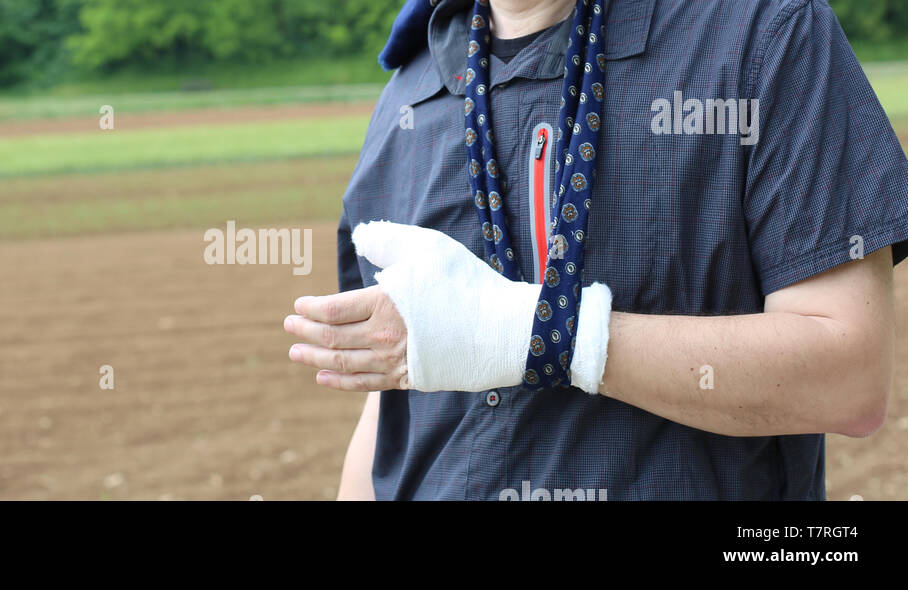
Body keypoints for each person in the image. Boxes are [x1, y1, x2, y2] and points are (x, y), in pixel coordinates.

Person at [282, 0, 908, 500]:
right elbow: (389, 409)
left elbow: (848, 377)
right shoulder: (406, 95)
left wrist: (540, 335)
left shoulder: (765, 30)